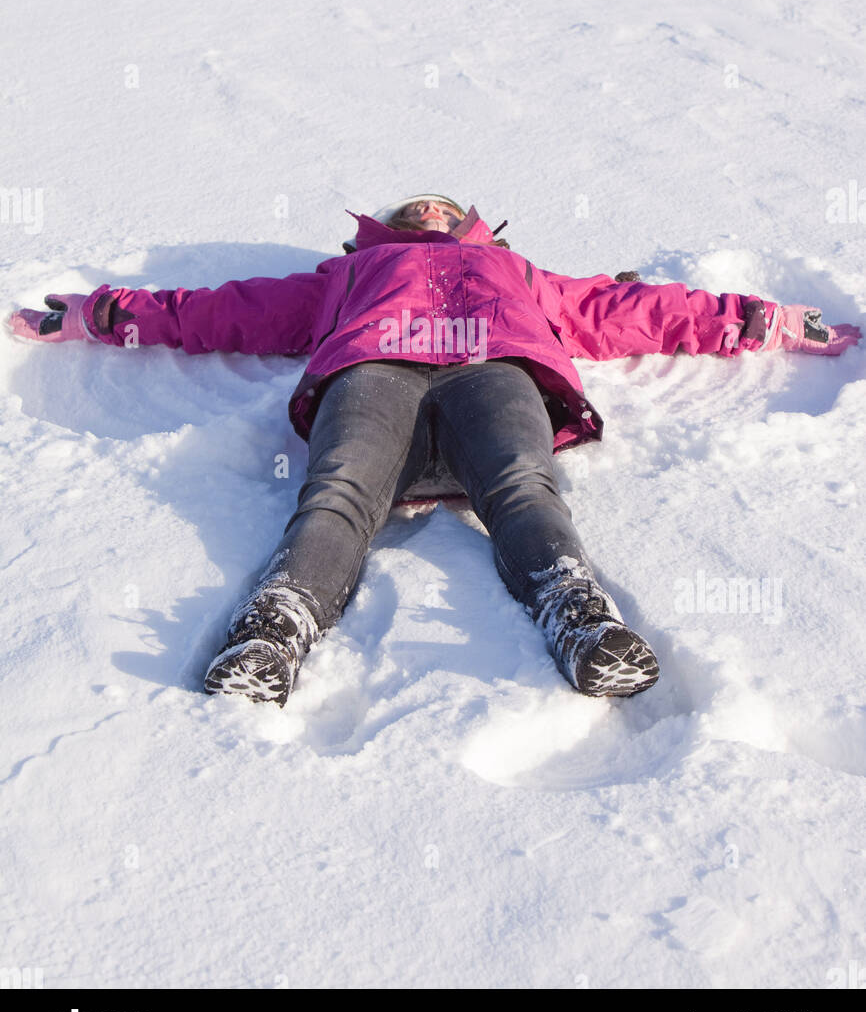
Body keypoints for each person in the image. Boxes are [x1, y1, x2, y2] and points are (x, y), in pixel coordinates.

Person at [7, 195, 860, 708]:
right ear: (381, 229)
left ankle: (579, 618)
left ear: (472, 223)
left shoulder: (516, 270)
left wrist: (764, 320)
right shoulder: (343, 278)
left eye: (445, 206)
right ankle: (274, 630)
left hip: (494, 373)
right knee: (339, 490)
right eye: (414, 206)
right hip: (374, 373)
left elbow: (626, 311)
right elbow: (226, 311)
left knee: (525, 486)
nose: (430, 211)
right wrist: (105, 314)